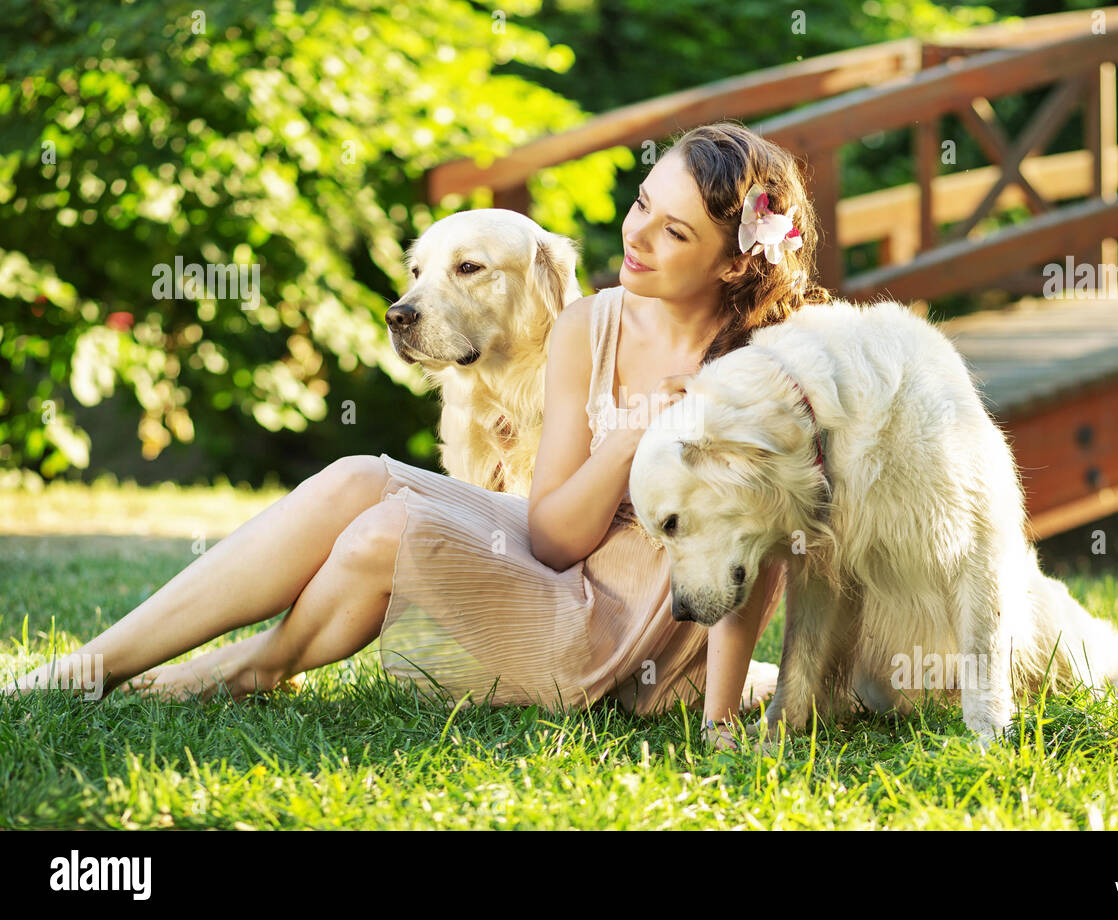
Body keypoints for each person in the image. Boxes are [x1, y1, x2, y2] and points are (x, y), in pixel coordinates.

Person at [5, 121, 834, 751]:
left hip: (622, 638)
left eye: (674, 232)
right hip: (560, 567)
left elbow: (764, 564)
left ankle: (250, 666)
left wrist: (725, 722)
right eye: (642, 203)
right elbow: (549, 537)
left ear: (735, 262)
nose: (637, 235)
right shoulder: (591, 323)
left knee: (387, 531)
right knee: (359, 478)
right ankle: (92, 664)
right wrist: (628, 439)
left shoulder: (763, 371)